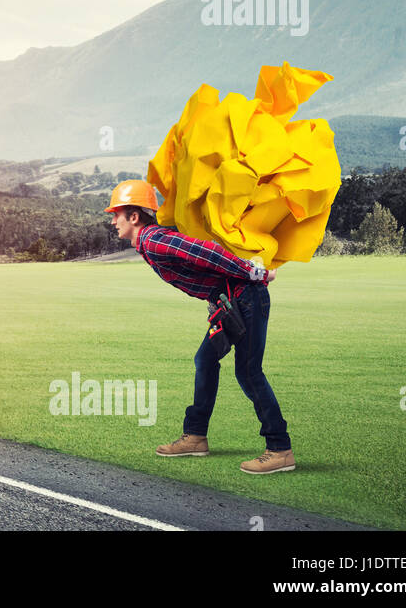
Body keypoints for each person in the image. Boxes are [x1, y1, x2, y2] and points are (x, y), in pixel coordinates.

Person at [104, 180, 294, 475]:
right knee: (205, 360)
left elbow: (206, 253)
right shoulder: (149, 243)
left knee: (248, 372)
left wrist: (254, 272)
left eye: (116, 213)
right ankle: (195, 437)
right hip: (230, 302)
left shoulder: (154, 240)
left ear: (134, 217)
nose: (112, 220)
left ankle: (280, 449)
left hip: (246, 297)